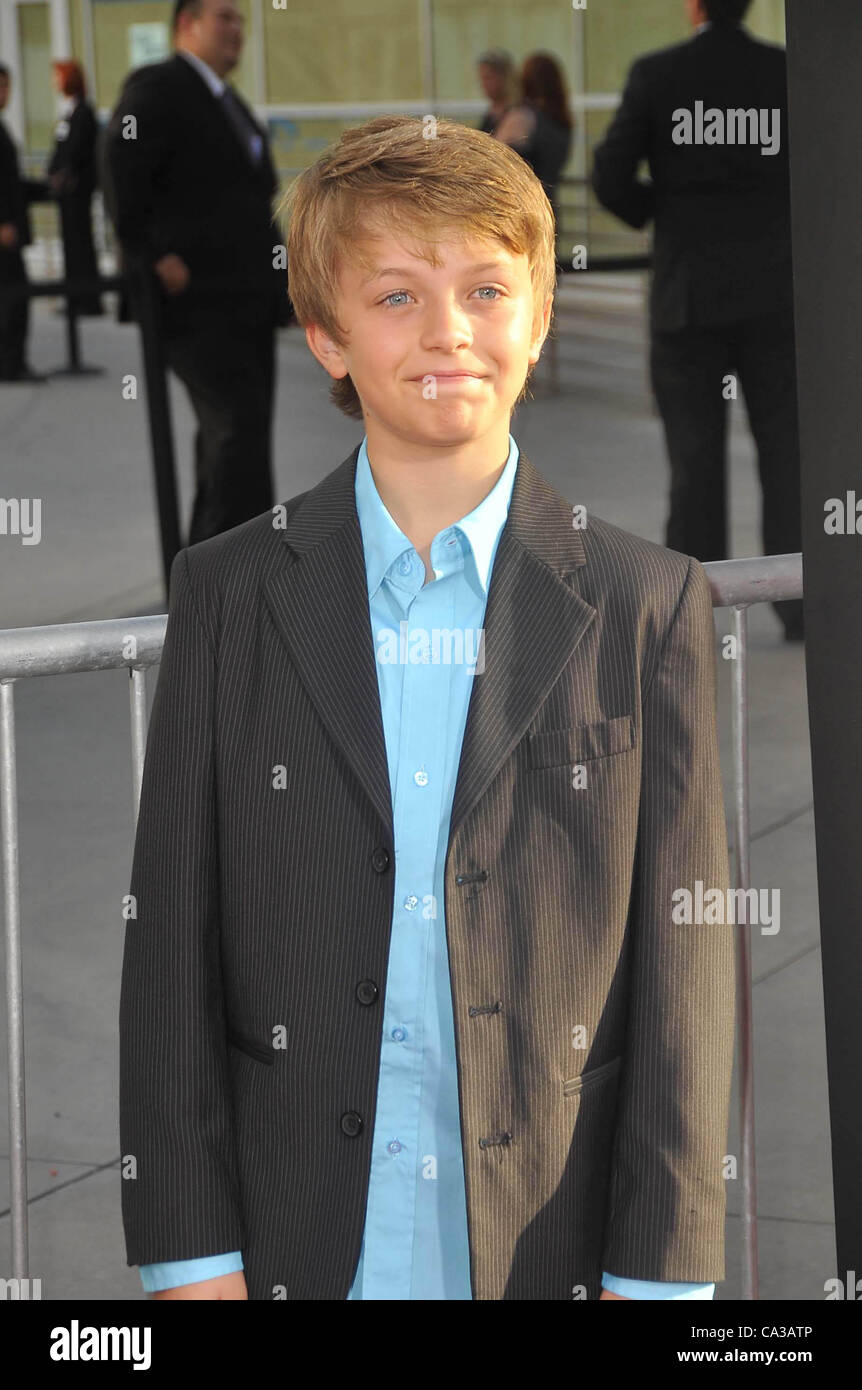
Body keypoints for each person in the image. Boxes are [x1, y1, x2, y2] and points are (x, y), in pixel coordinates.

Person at [120, 113, 735, 1301]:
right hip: (297, 1242)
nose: (449, 330)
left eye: (487, 289)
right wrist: (191, 1257)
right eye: (396, 296)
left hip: (541, 1247)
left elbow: (686, 976)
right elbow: (170, 953)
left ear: (541, 315)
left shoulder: (645, 602)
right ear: (324, 336)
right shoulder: (230, 591)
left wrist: (660, 1276)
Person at [591, 0, 803, 641]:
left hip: (690, 298)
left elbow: (609, 176)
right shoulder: (784, 73)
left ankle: (694, 611)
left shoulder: (659, 74)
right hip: (778, 295)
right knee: (789, 457)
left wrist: (668, 208)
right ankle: (798, 603)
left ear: (695, 7)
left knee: (694, 456)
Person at [101, 0, 290, 546]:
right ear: (187, 24)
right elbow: (119, 157)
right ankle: (226, 582)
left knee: (239, 439)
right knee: (234, 432)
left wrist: (283, 291)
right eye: (224, 17)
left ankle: (223, 568)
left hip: (244, 301)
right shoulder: (161, 85)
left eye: (240, 19)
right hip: (198, 306)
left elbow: (251, 201)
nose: (237, 30)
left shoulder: (225, 99)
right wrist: (152, 254)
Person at [0, 63, 50, 383]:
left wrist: (45, 188)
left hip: (10, 230)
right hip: (3, 232)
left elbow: (11, 182)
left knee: (16, 297)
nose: (4, 94)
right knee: (13, 299)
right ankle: (10, 364)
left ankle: (13, 361)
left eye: (7, 87)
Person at [493, 52, 573, 238]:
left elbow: (490, 159)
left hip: (520, 212)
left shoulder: (523, 117)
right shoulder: (562, 120)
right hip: (549, 208)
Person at [46, 59, 103, 318]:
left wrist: (64, 172)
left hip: (77, 190)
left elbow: (77, 150)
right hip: (66, 191)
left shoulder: (83, 112)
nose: (54, 82)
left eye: (58, 77)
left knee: (80, 243)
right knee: (71, 245)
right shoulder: (68, 112)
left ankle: (88, 300)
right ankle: (75, 297)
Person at [476, 49, 520, 135]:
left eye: (488, 78)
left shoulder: (517, 113)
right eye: (482, 79)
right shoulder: (491, 113)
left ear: (504, 77)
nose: (484, 84)